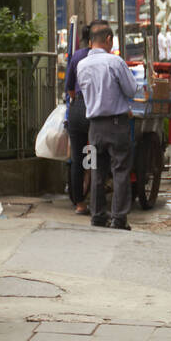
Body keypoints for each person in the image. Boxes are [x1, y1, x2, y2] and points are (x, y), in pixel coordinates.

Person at [76, 20, 138, 230]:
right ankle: (119, 218)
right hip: (116, 125)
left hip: (94, 128)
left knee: (96, 170)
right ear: (109, 39)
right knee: (120, 169)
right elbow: (131, 90)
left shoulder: (81, 65)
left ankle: (98, 216)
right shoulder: (115, 62)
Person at [64, 23, 93, 215]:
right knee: (97, 156)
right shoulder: (105, 59)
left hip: (76, 107)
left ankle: (79, 204)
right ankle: (97, 203)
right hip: (95, 109)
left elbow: (69, 87)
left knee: (77, 158)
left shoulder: (76, 56)